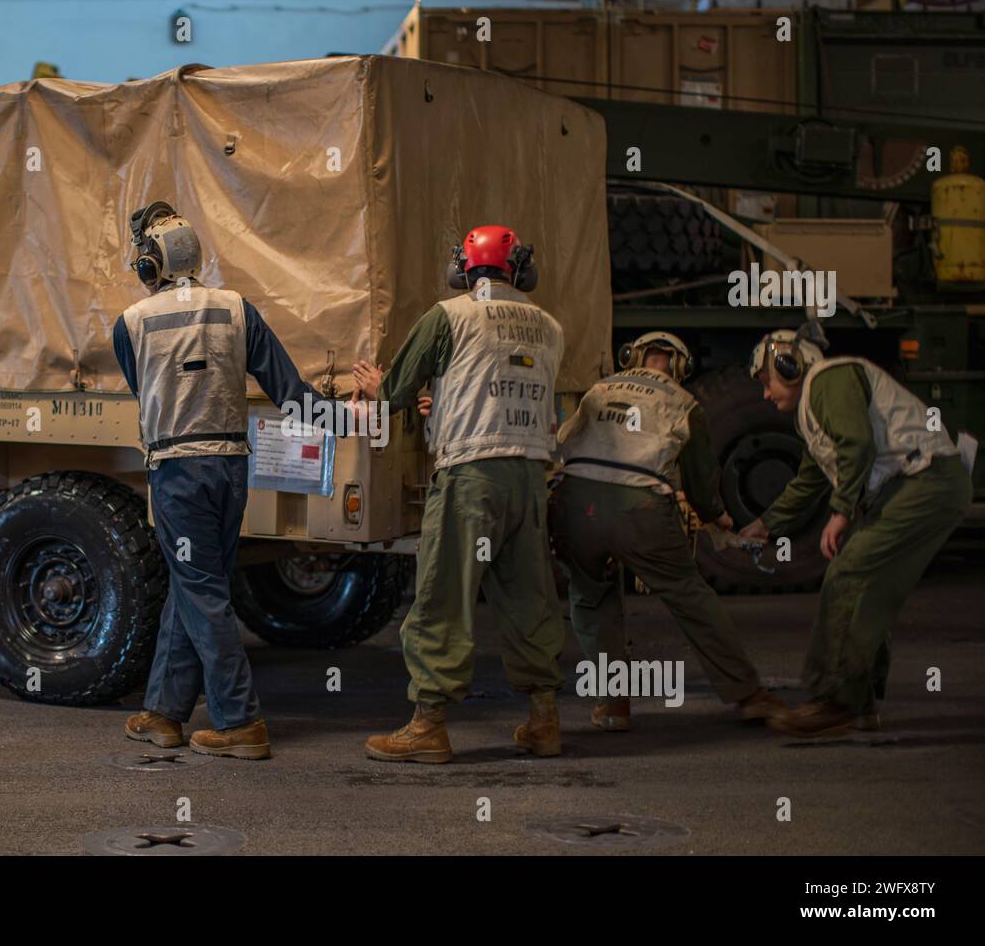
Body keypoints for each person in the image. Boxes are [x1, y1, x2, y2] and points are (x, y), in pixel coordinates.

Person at [114, 201, 330, 760]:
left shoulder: (131, 324)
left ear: (148, 267)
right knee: (195, 587)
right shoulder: (239, 310)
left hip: (177, 470)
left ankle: (240, 721)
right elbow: (289, 390)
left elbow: (144, 389)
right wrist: (353, 419)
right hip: (232, 469)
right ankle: (163, 714)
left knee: (202, 591)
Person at [351, 224, 566, 762]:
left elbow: (397, 391)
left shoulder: (449, 315)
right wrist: (445, 400)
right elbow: (500, 384)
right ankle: (544, 720)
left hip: (471, 478)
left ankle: (429, 725)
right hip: (529, 479)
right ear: (521, 269)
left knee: (442, 596)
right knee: (530, 598)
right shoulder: (549, 327)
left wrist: (385, 387)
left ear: (462, 270)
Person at [742, 325, 972, 737]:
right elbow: (809, 481)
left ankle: (833, 702)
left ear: (790, 366)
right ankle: (858, 700)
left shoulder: (828, 379)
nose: (764, 393)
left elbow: (857, 444)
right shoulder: (812, 412)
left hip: (925, 480)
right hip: (922, 485)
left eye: (767, 381)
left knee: (848, 575)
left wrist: (841, 511)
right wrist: (765, 525)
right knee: (869, 588)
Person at [552, 331, 784, 731]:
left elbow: (563, 441)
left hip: (575, 503)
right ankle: (748, 694)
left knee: (590, 597)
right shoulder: (683, 402)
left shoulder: (598, 389)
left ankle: (614, 706)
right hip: (640, 511)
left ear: (632, 357)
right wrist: (718, 519)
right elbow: (699, 484)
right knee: (690, 597)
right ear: (681, 367)